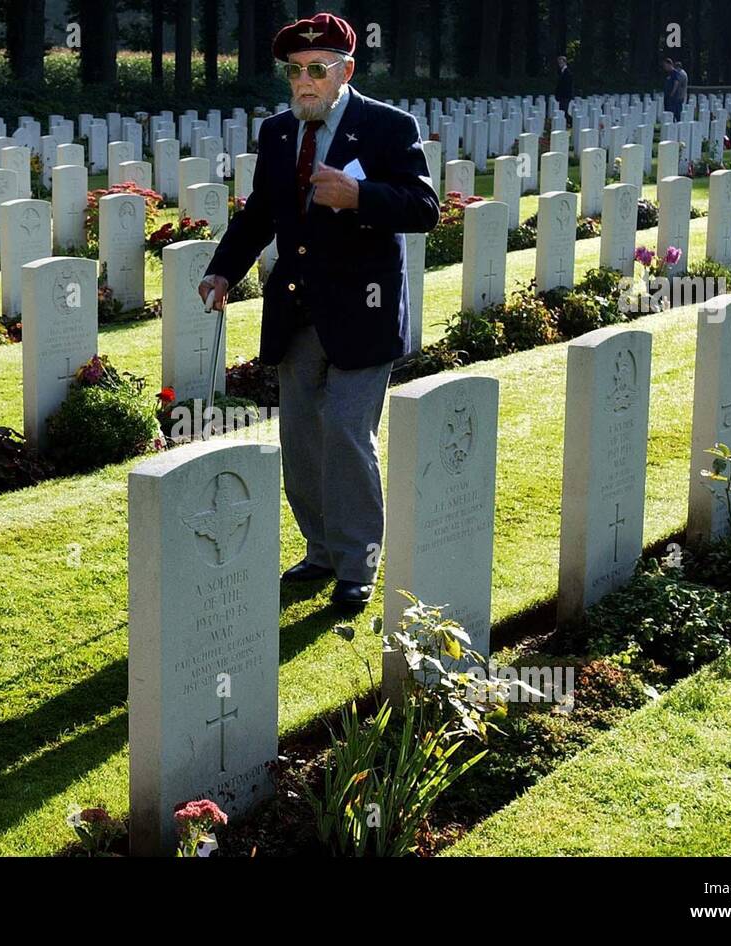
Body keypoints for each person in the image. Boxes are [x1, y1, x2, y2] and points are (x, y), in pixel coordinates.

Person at [196, 11, 440, 608]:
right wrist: (224, 267)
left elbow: (425, 208)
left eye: (317, 70)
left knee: (347, 433)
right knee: (303, 438)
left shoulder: (386, 126)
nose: (304, 82)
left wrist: (360, 196)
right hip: (296, 312)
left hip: (364, 312)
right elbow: (261, 210)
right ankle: (321, 551)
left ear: (345, 71)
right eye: (295, 71)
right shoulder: (279, 132)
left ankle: (358, 562)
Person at [554, 55, 573, 122]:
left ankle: (571, 122)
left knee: (563, 111)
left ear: (565, 63)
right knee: (562, 111)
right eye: (559, 63)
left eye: (561, 63)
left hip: (565, 96)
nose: (560, 64)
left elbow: (567, 86)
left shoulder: (567, 72)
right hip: (562, 96)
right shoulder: (561, 72)